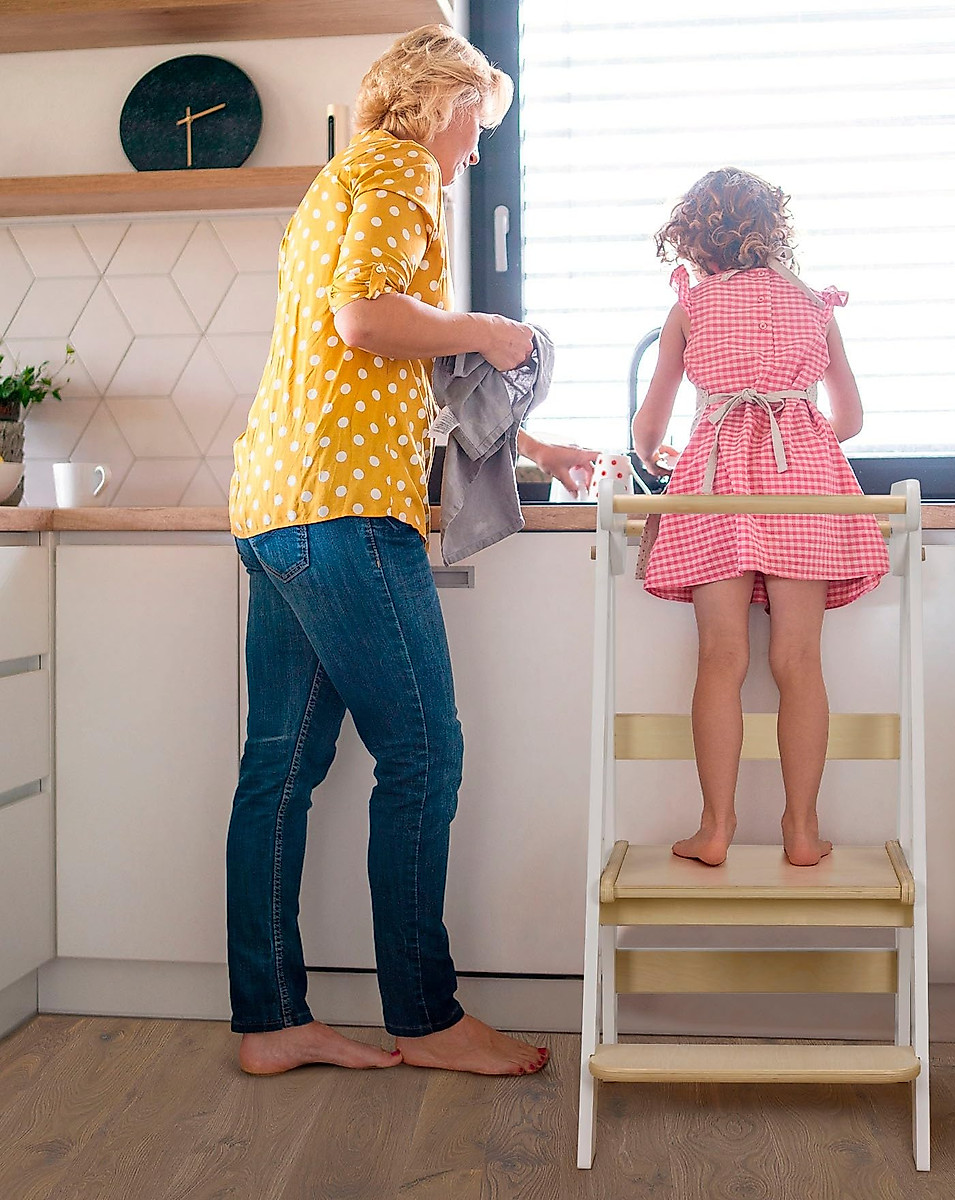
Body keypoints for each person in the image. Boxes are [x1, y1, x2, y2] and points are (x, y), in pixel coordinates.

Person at [226, 25, 595, 1078]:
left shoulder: (340, 181)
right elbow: (367, 322)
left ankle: (271, 1020)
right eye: (477, 121)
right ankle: (426, 1018)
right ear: (442, 102)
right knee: (425, 756)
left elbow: (387, 371)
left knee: (280, 771)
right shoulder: (396, 169)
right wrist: (482, 327)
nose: (477, 149)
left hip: (278, 508)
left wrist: (539, 443)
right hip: (342, 512)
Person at [631, 167, 889, 870]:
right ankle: (802, 832)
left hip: (716, 483)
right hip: (800, 483)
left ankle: (714, 829)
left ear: (694, 242)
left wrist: (675, 445)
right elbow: (853, 419)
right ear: (774, 231)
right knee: (799, 662)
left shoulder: (692, 306)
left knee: (720, 660)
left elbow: (648, 430)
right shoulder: (813, 303)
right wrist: (799, 435)